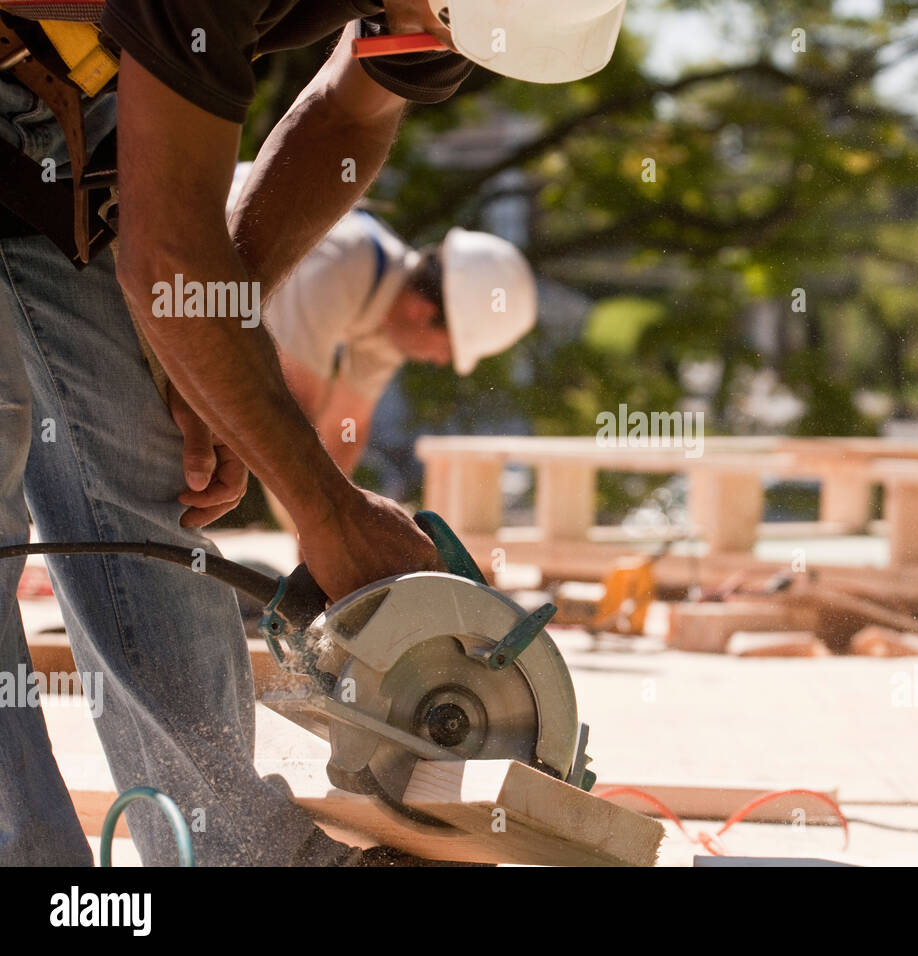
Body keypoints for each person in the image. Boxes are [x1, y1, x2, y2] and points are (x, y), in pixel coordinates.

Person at [0, 0, 627, 865]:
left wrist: (210, 355)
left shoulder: (452, 14)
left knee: (152, 483)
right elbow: (170, 254)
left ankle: (232, 854)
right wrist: (324, 513)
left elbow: (347, 110)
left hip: (68, 106)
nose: (441, 52)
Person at [225, 163, 537, 497]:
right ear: (423, 311)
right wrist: (319, 526)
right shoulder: (341, 264)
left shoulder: (392, 318)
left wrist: (326, 522)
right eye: (448, 348)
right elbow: (293, 416)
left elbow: (347, 426)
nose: (441, 360)